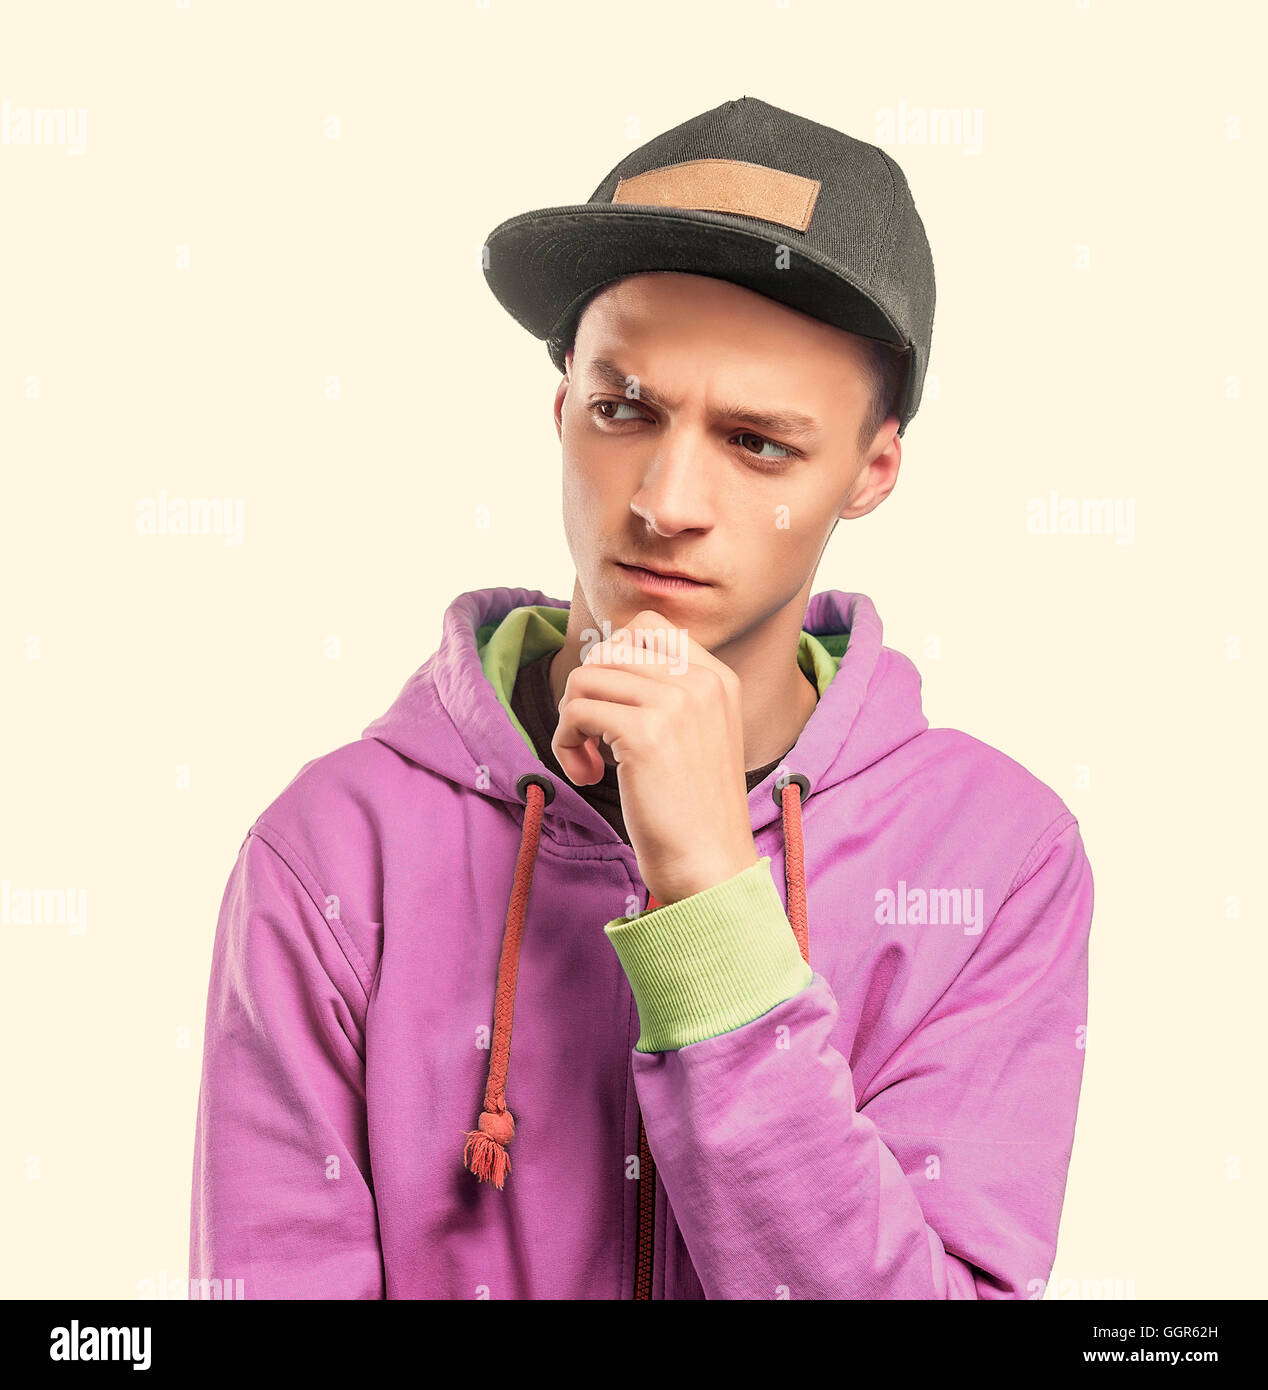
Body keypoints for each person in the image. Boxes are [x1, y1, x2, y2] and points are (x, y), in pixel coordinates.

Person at [189, 95, 1093, 1300]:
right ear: (562, 403)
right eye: (625, 410)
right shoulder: (328, 849)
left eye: (757, 443)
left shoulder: (1002, 857)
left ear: (869, 471)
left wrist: (717, 905)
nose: (664, 500)